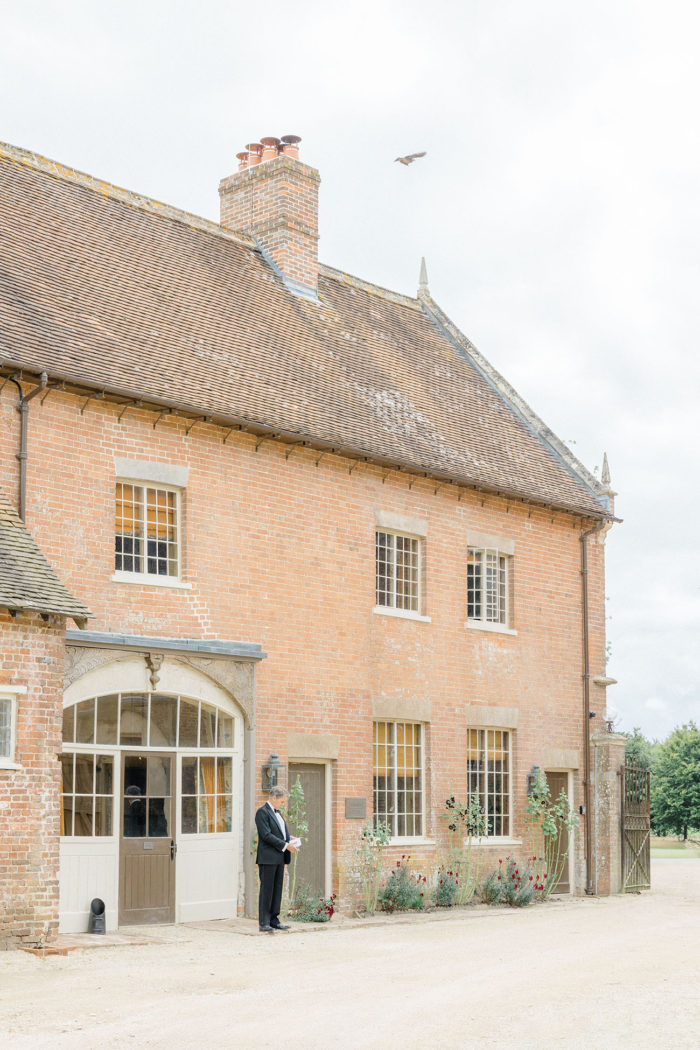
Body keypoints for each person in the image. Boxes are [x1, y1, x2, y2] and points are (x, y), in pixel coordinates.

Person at [255, 785, 299, 932]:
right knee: (267, 890)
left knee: (277, 889)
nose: (283, 804)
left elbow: (278, 833)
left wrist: (289, 838)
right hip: (267, 858)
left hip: (279, 857)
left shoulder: (278, 813)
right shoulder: (262, 812)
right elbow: (266, 835)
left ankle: (274, 920)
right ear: (274, 798)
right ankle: (264, 922)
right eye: (282, 801)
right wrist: (286, 845)